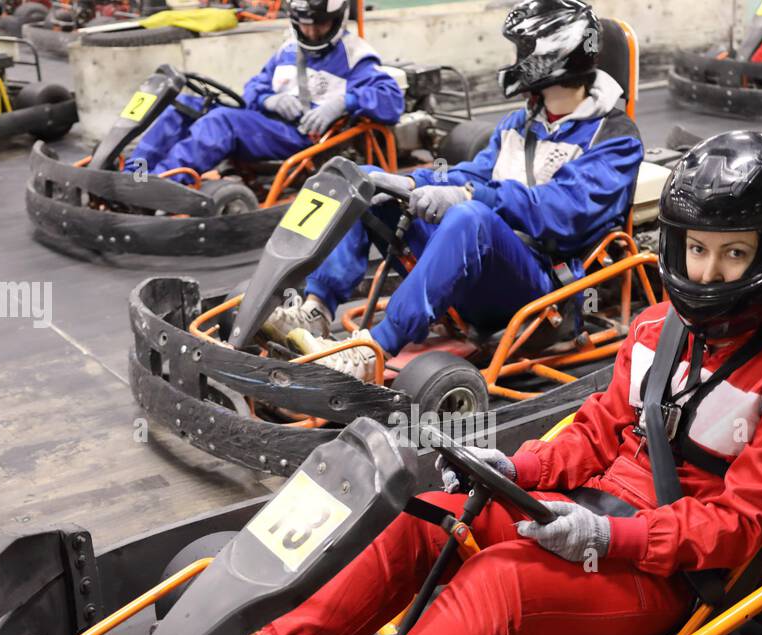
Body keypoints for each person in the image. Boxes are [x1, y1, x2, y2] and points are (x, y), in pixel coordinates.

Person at [179, 130, 762, 635]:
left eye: (734, 254)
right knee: (427, 516)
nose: (706, 274)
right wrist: (518, 469)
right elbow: (593, 435)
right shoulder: (656, 330)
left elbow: (738, 526)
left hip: (667, 573)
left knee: (497, 582)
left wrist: (608, 537)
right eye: (697, 250)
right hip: (593, 517)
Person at [261, 0, 644, 384]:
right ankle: (315, 310)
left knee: (470, 216)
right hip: (491, 264)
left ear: (555, 55)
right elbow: (472, 173)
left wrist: (471, 196)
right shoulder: (521, 122)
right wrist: (413, 183)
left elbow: (562, 212)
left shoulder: (615, 139)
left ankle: (370, 351)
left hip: (547, 288)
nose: (516, 60)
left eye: (523, 51)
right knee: (365, 180)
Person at [126, 0, 403, 183]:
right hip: (268, 122)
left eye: (319, 24)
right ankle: (134, 175)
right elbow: (255, 87)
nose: (312, 32)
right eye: (304, 24)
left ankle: (163, 183)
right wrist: (268, 99)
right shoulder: (288, 49)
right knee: (185, 104)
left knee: (221, 121)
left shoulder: (356, 56)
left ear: (336, 19)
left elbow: (391, 99)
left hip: (302, 136)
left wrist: (345, 101)